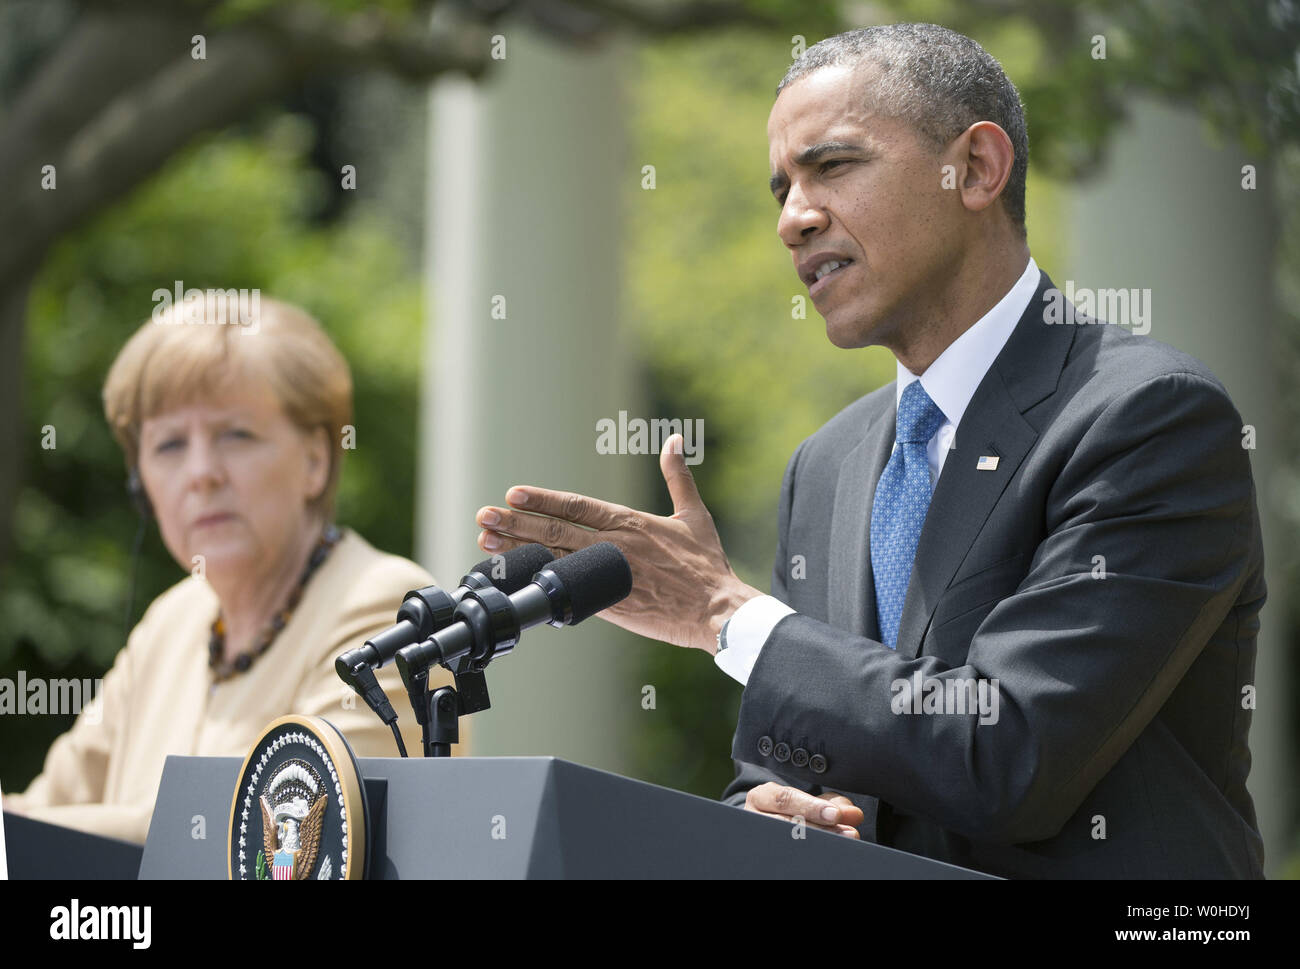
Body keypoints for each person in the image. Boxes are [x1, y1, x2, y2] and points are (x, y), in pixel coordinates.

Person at [473, 24, 1265, 878]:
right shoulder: (829, 464)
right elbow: (791, 751)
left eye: (833, 167)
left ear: (977, 168)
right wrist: (769, 809)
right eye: (780, 188)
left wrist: (722, 614)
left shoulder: (1147, 418)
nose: (792, 219)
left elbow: (1010, 750)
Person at [3, 296, 465, 844]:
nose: (201, 473)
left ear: (316, 460)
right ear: (141, 482)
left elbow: (280, 842)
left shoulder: (387, 607)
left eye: (236, 435)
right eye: (169, 444)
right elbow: (39, 810)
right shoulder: (172, 620)